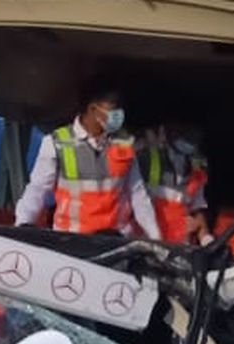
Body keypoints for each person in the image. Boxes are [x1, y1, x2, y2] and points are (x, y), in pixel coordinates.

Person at [14, 84, 161, 239]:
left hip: (115, 240)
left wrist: (156, 237)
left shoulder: (124, 143)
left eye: (119, 109)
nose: (118, 115)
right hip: (72, 241)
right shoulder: (56, 143)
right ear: (93, 110)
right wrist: (22, 225)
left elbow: (138, 194)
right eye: (112, 109)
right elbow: (37, 190)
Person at [132, 123, 212, 245]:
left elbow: (197, 207)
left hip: (180, 245)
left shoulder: (197, 166)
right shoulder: (145, 157)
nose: (188, 139)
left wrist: (206, 238)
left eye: (192, 136)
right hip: (149, 240)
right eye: (184, 133)